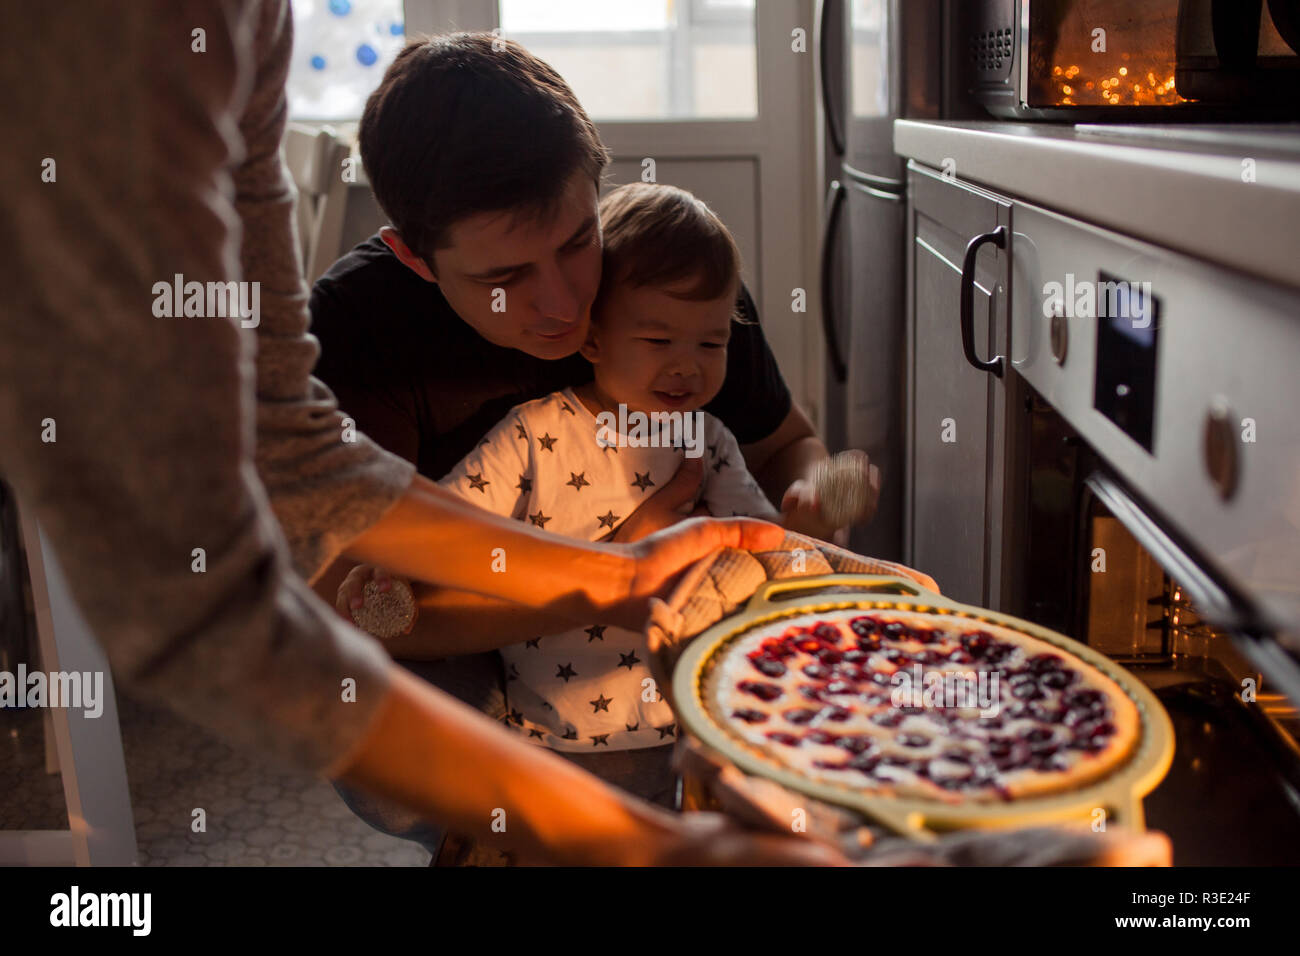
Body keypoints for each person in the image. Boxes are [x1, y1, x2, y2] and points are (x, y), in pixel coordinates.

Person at [0, 1, 842, 866]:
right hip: (456, 647)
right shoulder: (352, 326)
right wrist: (606, 590)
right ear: (412, 256)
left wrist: (637, 573)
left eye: (579, 241)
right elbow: (251, 605)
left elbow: (300, 456)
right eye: (506, 277)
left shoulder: (659, 271)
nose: (563, 306)